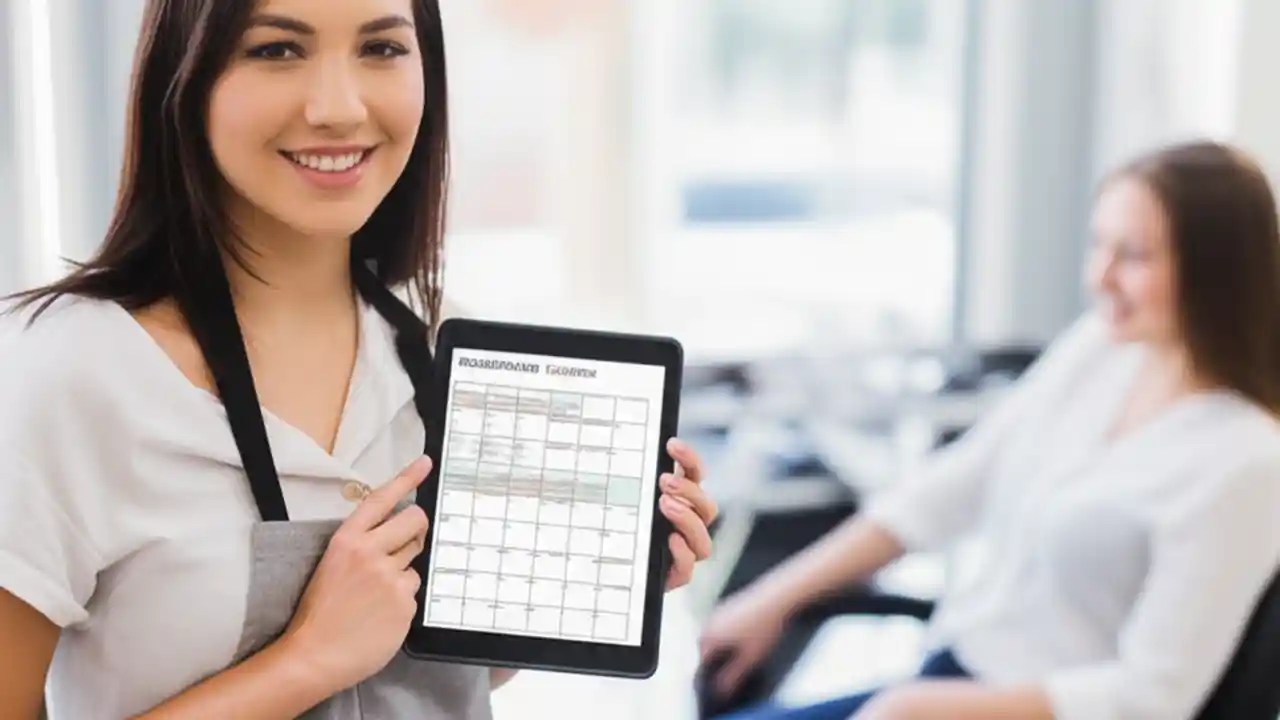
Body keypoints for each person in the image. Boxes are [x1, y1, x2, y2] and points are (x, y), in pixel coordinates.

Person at [0, 1, 717, 718]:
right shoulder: (63, 371)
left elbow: (432, 681)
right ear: (184, 76)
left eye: (381, 49)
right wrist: (306, 659)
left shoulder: (445, 350)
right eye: (277, 50)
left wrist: (596, 579)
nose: (339, 108)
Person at [698, 140, 1280, 720]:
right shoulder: (1102, 348)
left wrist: (919, 710)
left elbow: (1151, 700)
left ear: (1215, 272)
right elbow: (951, 488)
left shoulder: (1245, 462)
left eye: (1133, 255)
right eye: (1098, 244)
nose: (1100, 276)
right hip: (951, 678)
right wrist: (769, 600)